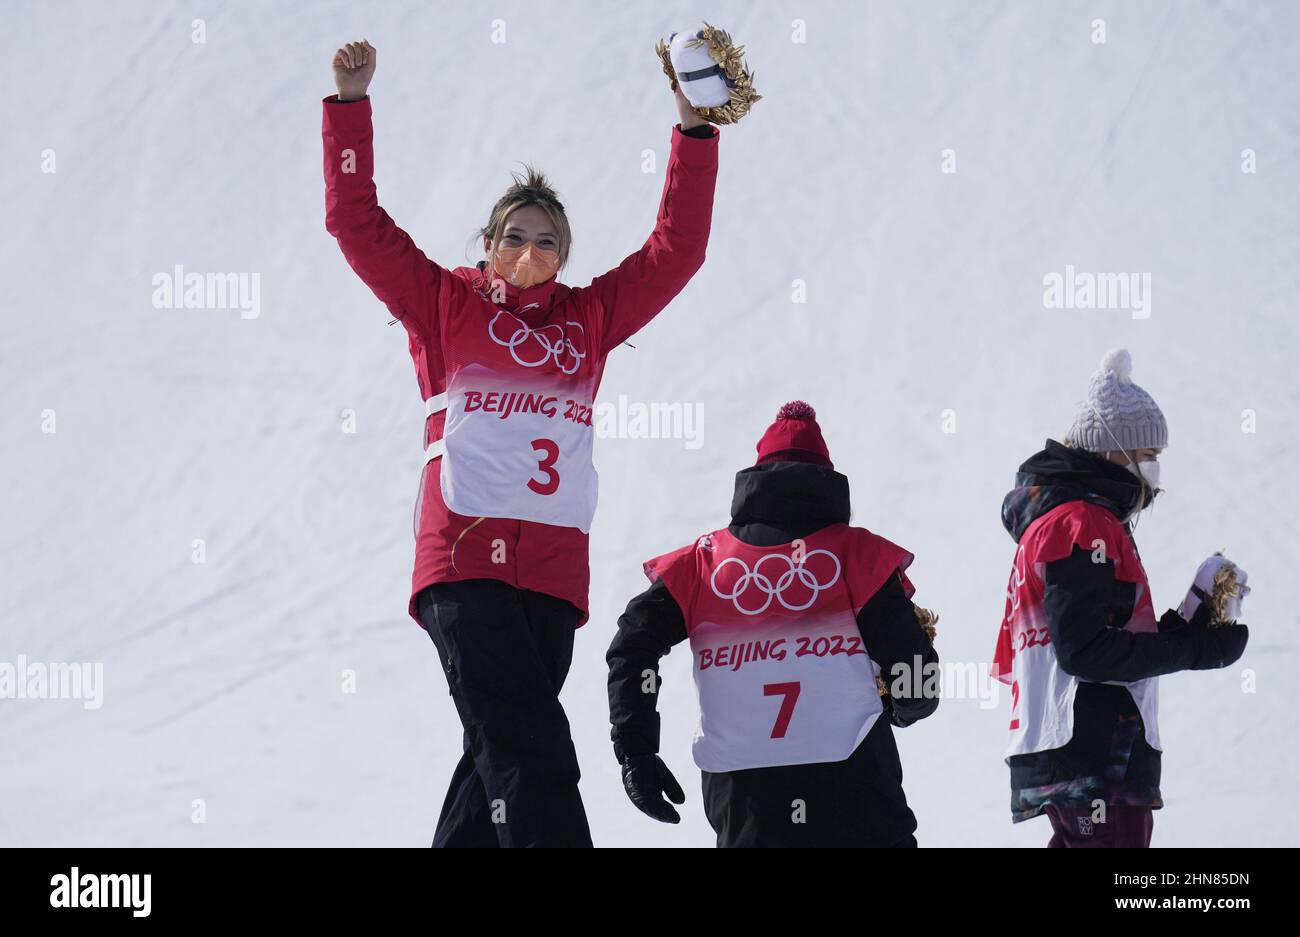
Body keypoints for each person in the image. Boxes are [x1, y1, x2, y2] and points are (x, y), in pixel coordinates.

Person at [322, 39, 721, 847]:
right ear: (489, 244)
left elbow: (676, 252)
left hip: (547, 574)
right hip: (463, 562)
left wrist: (693, 130)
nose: (529, 253)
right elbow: (355, 223)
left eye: (546, 241)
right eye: (514, 236)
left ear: (563, 255)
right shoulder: (444, 305)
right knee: (533, 750)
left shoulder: (590, 320)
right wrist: (350, 107)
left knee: (495, 757)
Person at [607, 402, 939, 847]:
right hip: (853, 781)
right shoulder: (856, 555)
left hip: (745, 796)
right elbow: (917, 674)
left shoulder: (702, 564)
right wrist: (903, 707)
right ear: (829, 482)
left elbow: (633, 643)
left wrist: (637, 749)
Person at [993, 349, 1249, 847]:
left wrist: (1185, 629)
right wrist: (1196, 650)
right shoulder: (1082, 523)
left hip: (1069, 744)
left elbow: (1094, 637)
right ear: (1113, 450)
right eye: (1148, 454)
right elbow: (1085, 650)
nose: (1153, 468)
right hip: (1092, 749)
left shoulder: (1065, 521)